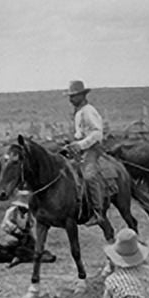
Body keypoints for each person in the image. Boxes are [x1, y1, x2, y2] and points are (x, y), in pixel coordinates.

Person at [64, 80, 107, 226]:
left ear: (82, 96)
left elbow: (97, 133)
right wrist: (72, 142)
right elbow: (80, 133)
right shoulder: (79, 113)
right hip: (81, 149)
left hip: (92, 149)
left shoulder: (89, 111)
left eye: (74, 96)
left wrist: (80, 144)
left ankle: (97, 212)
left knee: (89, 176)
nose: (71, 99)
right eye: (70, 97)